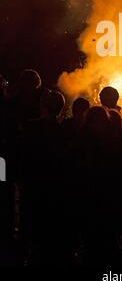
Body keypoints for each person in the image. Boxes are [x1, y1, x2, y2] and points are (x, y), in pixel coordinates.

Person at [20, 89, 69, 266]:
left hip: (33, 187)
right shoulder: (65, 132)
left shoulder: (30, 128)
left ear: (43, 106)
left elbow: (22, 157)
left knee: (31, 225)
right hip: (54, 190)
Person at [82, 106, 121, 267]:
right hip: (103, 201)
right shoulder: (114, 146)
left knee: (95, 242)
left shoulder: (83, 144)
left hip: (96, 200)